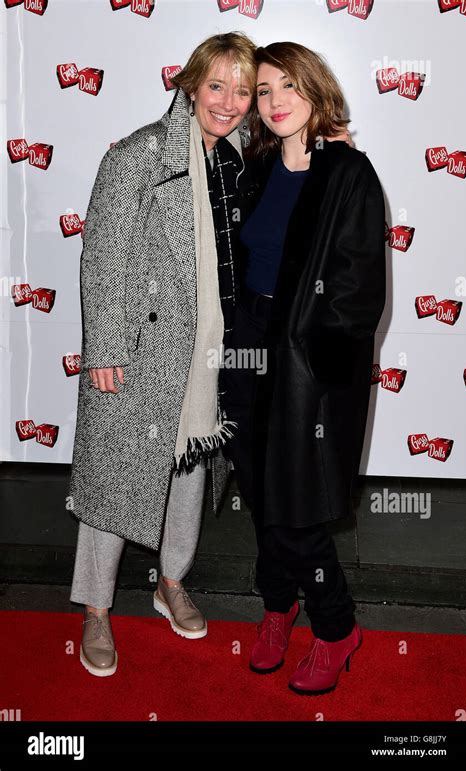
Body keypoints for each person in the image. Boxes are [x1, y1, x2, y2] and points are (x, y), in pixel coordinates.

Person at [68, 32, 257, 676]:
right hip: (142, 350)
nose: (229, 103)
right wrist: (106, 347)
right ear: (190, 84)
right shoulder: (140, 154)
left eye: (242, 89)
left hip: (208, 354)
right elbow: (103, 256)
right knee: (115, 480)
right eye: (216, 86)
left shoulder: (239, 161)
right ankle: (95, 611)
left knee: (189, 469)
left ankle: (169, 582)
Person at [222, 42, 386, 695]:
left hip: (304, 360)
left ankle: (335, 626)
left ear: (315, 90)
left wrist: (317, 369)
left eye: (288, 85)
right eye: (264, 91)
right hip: (244, 349)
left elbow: (357, 291)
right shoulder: (255, 168)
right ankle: (276, 604)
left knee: (298, 507)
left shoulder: (349, 173)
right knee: (261, 496)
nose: (276, 100)